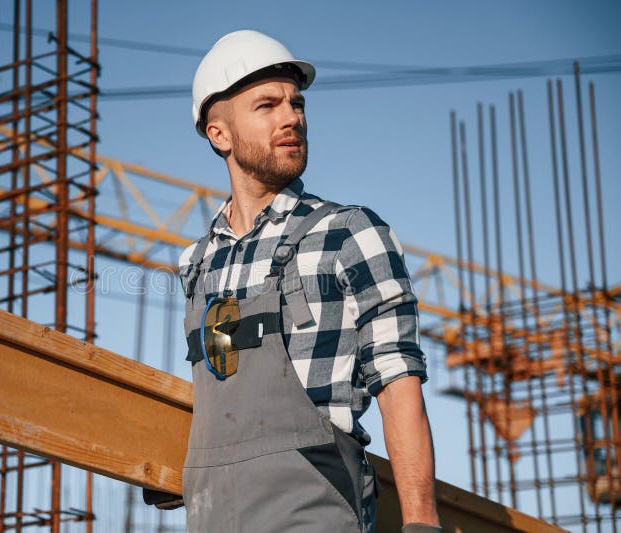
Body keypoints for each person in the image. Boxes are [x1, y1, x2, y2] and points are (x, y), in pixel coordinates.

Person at [148, 30, 441, 533]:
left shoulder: (348, 233)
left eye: (296, 103)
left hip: (317, 516)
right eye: (267, 105)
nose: (292, 118)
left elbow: (399, 388)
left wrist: (420, 524)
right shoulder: (196, 264)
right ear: (220, 134)